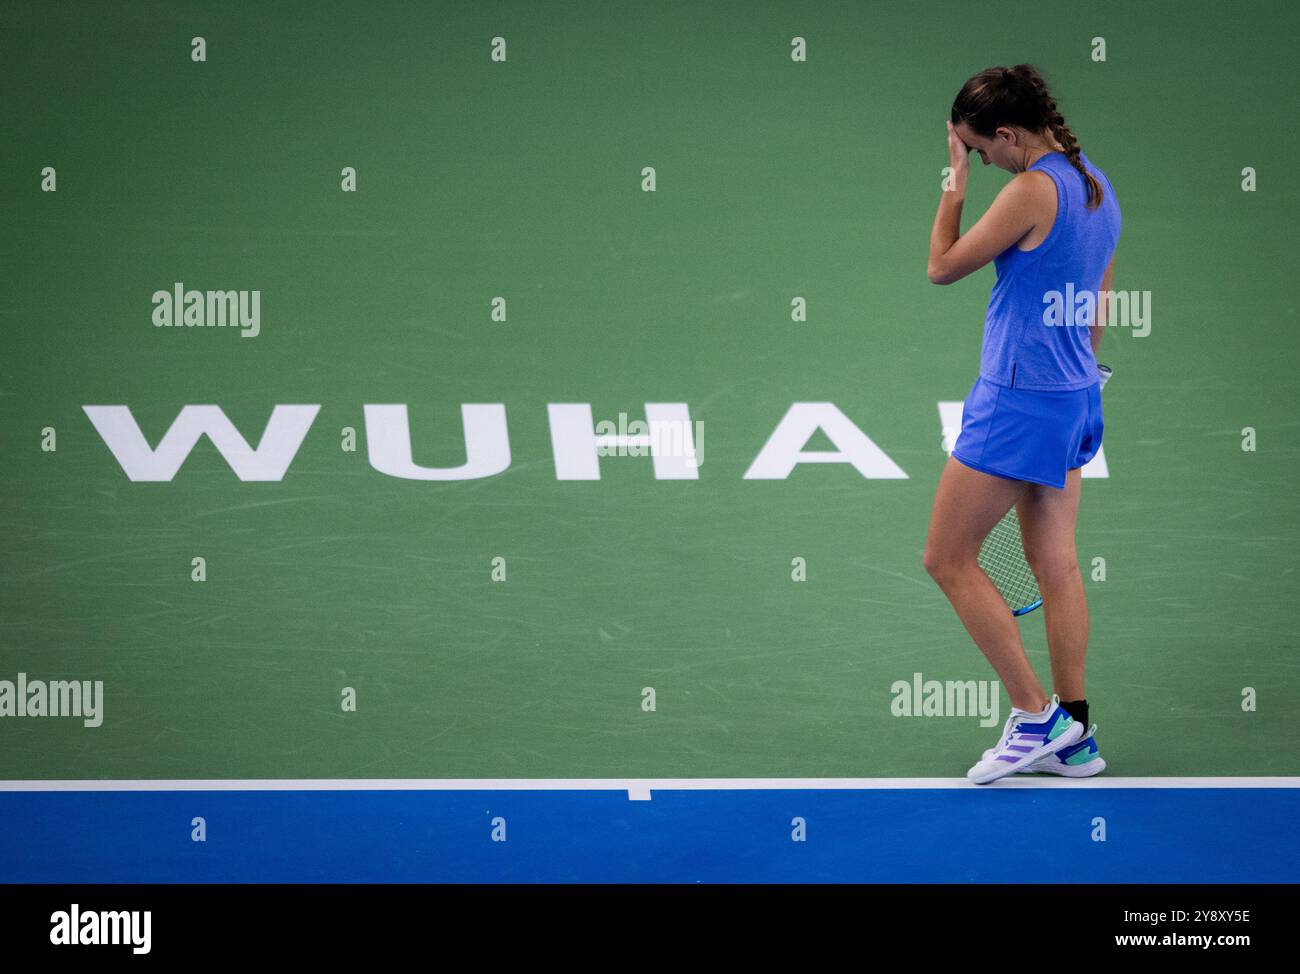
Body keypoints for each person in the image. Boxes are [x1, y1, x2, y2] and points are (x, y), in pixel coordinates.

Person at [923, 64, 1121, 784]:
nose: (979, 158)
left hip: (1015, 401)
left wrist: (954, 185)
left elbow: (941, 267)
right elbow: (1096, 304)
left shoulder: (1029, 190)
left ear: (1006, 134)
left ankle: (1035, 716)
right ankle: (1077, 734)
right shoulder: (1095, 184)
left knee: (945, 558)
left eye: (980, 149)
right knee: (1058, 563)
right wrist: (1083, 384)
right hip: (1074, 396)